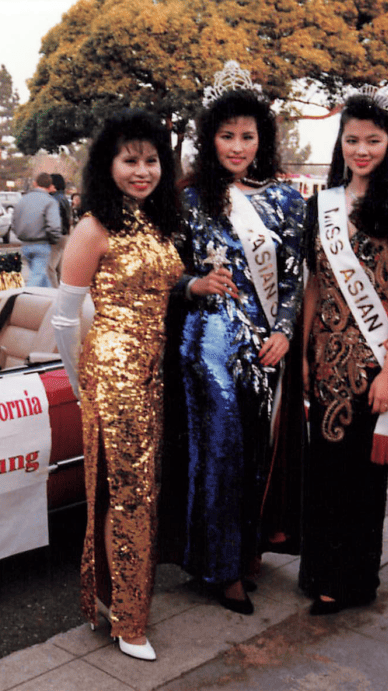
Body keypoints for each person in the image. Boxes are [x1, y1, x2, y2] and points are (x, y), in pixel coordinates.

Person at [166, 79, 305, 616]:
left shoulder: (286, 199)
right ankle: (219, 568)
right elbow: (165, 272)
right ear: (211, 139)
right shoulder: (188, 197)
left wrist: (286, 332)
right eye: (227, 135)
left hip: (265, 349)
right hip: (208, 344)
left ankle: (246, 551)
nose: (238, 146)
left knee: (256, 455)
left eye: (247, 135)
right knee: (219, 453)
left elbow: (293, 277)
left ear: (261, 138)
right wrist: (192, 285)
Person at [51, 109, 184, 661]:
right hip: (113, 373)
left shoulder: (154, 221)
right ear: (109, 165)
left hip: (154, 371)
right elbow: (63, 319)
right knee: (127, 494)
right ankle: (129, 621)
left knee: (142, 492)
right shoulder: (94, 227)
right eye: (131, 160)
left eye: (151, 160)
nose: (142, 170)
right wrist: (83, 386)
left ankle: (117, 602)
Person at [298, 92, 388, 616]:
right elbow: (313, 285)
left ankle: (353, 580)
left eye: (373, 139)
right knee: (324, 473)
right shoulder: (320, 206)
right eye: (352, 139)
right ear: (341, 143)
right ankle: (320, 571)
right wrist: (304, 353)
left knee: (361, 478)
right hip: (325, 361)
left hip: (376, 362)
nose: (362, 149)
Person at [11, 172, 61, 287]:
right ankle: (24, 297)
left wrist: (20, 234)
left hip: (25, 244)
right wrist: (54, 240)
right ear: (50, 185)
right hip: (42, 243)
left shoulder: (23, 200)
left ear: (35, 183)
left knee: (41, 276)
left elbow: (14, 221)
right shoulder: (49, 201)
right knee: (37, 276)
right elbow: (54, 225)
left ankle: (50, 297)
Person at [47, 173, 72, 287]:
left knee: (48, 267)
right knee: (59, 268)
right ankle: (63, 291)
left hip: (55, 236)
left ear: (54, 185)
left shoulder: (54, 200)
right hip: (63, 235)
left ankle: (53, 293)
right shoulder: (63, 198)